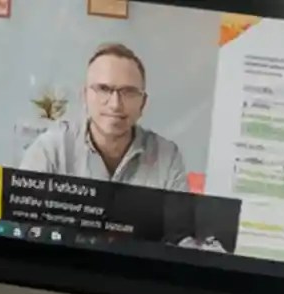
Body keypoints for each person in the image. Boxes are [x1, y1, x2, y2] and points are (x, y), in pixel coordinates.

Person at [20, 43, 189, 192]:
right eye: (103, 89)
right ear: (85, 96)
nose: (115, 104)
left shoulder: (167, 157)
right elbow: (22, 218)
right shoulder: (50, 149)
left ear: (143, 103)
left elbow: (179, 226)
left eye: (128, 92)